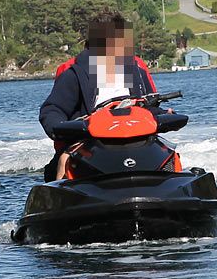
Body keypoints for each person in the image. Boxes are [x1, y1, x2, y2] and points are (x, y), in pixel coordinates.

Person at [38, 10, 156, 181]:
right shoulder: (75, 74)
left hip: (138, 141)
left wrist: (164, 115)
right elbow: (52, 110)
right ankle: (62, 190)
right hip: (90, 145)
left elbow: (151, 107)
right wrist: (62, 128)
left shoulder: (136, 71)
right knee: (65, 160)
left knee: (168, 154)